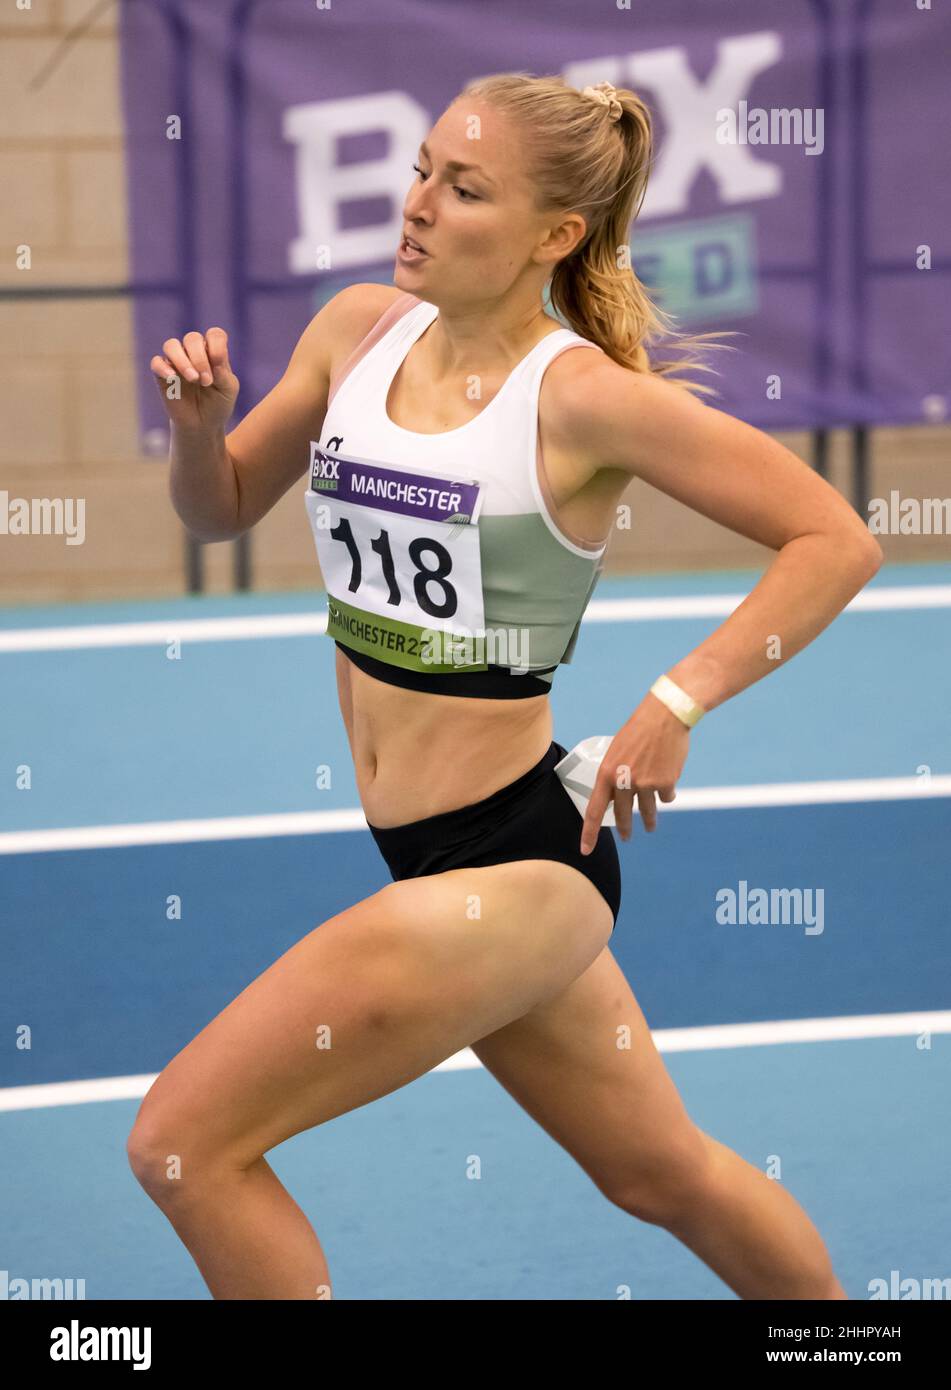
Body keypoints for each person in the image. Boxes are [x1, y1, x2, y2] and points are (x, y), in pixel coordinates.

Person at [130, 73, 880, 1300]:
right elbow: (217, 513)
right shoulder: (354, 330)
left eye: (464, 187)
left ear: (555, 236)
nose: (418, 202)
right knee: (662, 1177)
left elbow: (835, 538)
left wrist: (675, 704)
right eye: (423, 168)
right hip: (441, 855)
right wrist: (200, 430)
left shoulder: (581, 398)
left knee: (181, 1145)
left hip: (512, 873)